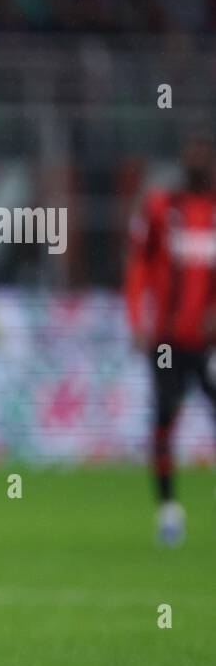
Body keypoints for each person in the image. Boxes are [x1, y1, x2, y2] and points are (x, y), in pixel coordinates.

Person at [124, 134, 216, 546]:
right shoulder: (162, 207)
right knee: (164, 417)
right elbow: (138, 266)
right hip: (166, 340)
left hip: (210, 340)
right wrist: (135, 321)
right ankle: (167, 510)